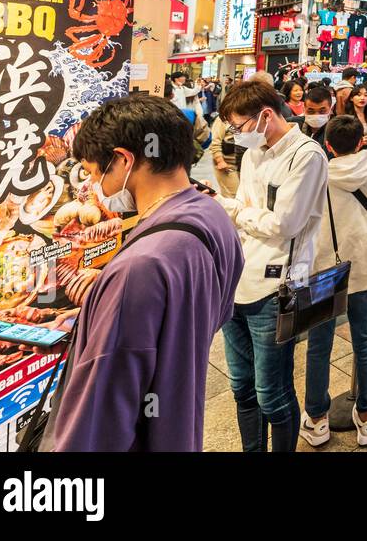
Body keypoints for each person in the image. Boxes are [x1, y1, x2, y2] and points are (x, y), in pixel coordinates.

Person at [47, 96, 244, 450]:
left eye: (94, 173)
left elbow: (100, 416)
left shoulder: (139, 267)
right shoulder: (213, 216)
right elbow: (208, 312)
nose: (96, 188)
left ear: (123, 160)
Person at [216, 79, 329, 452]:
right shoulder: (253, 154)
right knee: (242, 386)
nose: (237, 135)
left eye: (240, 126)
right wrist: (244, 213)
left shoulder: (306, 155)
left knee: (272, 393)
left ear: (266, 115)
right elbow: (255, 216)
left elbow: (285, 225)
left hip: (275, 289)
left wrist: (233, 209)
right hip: (235, 282)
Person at [300, 116, 367, 449]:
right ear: (362, 141)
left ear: (328, 145)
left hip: (325, 266)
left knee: (319, 343)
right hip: (365, 264)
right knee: (365, 336)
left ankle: (316, 420)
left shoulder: (318, 174)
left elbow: (301, 220)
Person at [342, 83, 367, 154]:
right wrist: (360, 143)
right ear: (351, 98)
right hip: (353, 155)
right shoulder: (346, 118)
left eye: (366, 95)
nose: (362, 98)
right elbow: (343, 141)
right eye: (358, 95)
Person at [209, 114, 242, 198]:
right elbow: (215, 142)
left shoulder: (246, 116)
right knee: (233, 196)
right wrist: (220, 161)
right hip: (227, 165)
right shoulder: (222, 120)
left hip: (242, 163)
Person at [301, 82, 335, 147]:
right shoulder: (295, 125)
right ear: (304, 109)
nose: (316, 115)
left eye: (322, 111)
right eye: (311, 111)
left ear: (330, 109)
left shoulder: (337, 130)